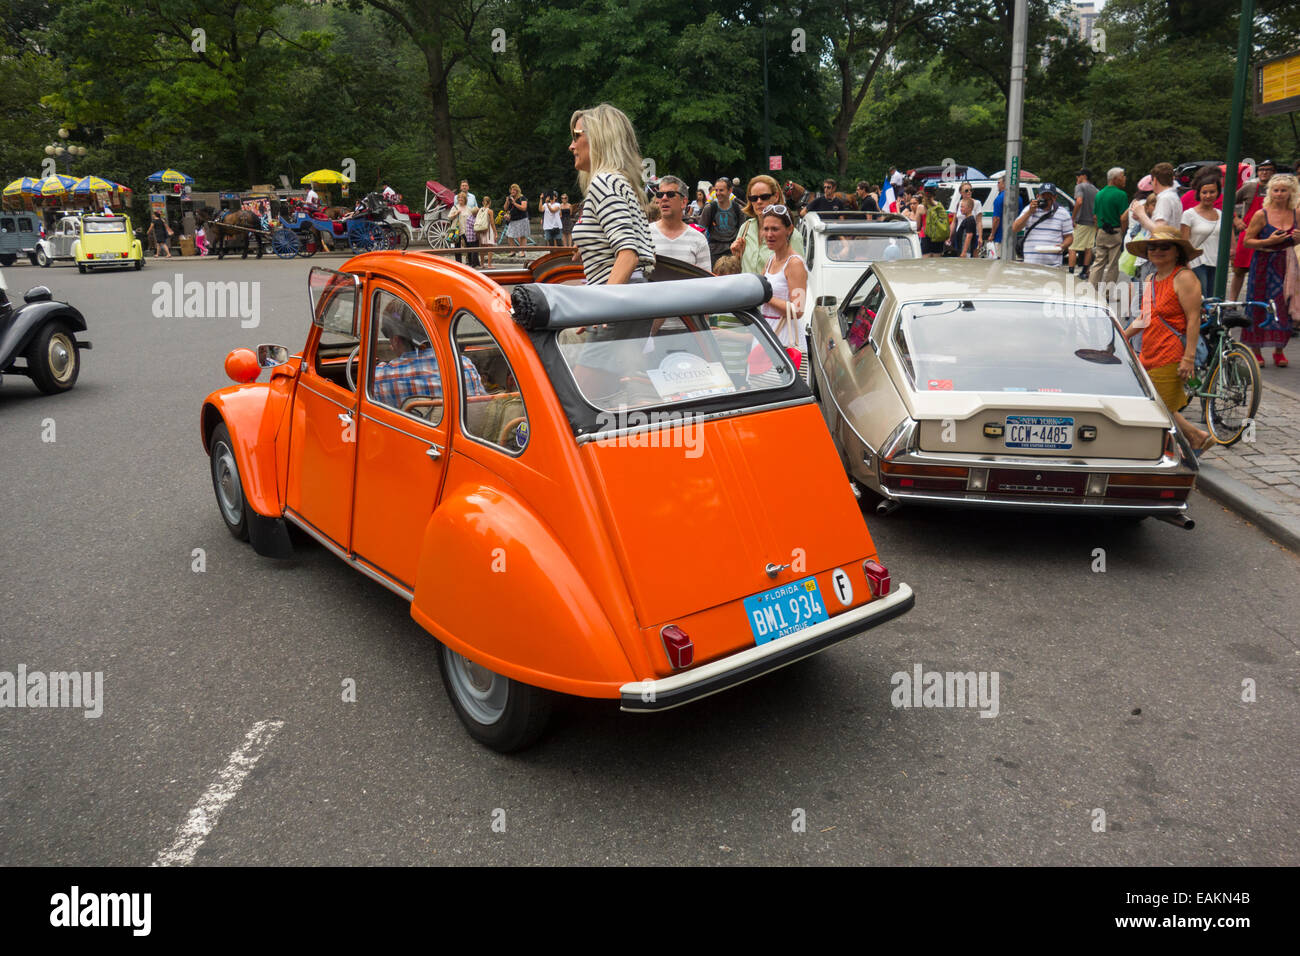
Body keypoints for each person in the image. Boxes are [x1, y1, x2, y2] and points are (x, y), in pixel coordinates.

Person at [1121, 228, 1213, 451]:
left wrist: (1189, 358)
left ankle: (1174, 446)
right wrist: (1120, 337)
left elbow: (1193, 319)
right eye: (1153, 247)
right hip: (1149, 350)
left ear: (1177, 251)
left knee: (1156, 407)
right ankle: (1196, 437)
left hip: (1171, 353)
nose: (1157, 251)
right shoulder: (1151, 278)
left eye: (1165, 247)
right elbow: (1145, 317)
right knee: (1155, 404)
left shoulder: (1185, 277)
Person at [568, 102, 655, 285]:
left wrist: (603, 309)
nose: (571, 146)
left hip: (618, 303)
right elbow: (644, 249)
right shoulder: (620, 183)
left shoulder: (604, 183)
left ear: (598, 139)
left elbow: (628, 255)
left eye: (576, 137)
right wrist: (589, 242)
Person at [373, 304, 487, 411]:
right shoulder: (464, 365)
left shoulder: (381, 377)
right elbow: (481, 407)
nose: (391, 347)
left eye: (391, 340)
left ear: (396, 340)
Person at [1240, 172, 1298, 367]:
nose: (1279, 194)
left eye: (1283, 190)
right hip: (1263, 263)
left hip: (1286, 263)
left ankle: (1279, 350)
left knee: (1284, 306)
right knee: (1259, 304)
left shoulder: (1296, 213)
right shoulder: (1261, 214)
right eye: (1276, 190)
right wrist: (1269, 241)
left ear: (1291, 193)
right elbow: (1247, 241)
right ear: (1269, 192)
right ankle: (1256, 349)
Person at [748, 204, 806, 384]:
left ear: (789, 229)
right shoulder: (771, 259)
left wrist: (766, 297)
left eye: (775, 229)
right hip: (766, 332)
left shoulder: (795, 263)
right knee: (759, 388)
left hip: (785, 337)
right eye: (765, 229)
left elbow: (798, 309)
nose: (769, 234)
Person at [730, 174, 805, 274]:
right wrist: (736, 255)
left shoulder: (790, 234)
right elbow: (739, 268)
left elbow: (799, 275)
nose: (759, 201)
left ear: (776, 197)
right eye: (754, 198)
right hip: (747, 289)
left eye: (764, 197)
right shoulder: (745, 228)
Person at [1230, 158, 1276, 301]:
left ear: (1274, 172)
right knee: (1239, 271)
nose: (1264, 173)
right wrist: (1236, 220)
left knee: (1265, 273)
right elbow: (1227, 202)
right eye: (1262, 169)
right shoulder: (1250, 187)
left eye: (1268, 170)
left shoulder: (1277, 189)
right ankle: (1231, 302)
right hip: (1247, 234)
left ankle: (1261, 304)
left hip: (1269, 235)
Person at [649, 175, 710, 268]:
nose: (664, 198)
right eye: (660, 195)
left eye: (670, 194)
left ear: (684, 202)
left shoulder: (698, 239)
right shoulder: (645, 234)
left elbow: (706, 280)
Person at [1180, 176, 1222, 298]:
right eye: (1204, 192)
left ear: (1217, 193)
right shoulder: (1189, 215)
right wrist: (1186, 264)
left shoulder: (1221, 214)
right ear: (1199, 194)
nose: (1208, 196)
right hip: (1196, 262)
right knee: (1201, 298)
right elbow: (1184, 242)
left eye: (1212, 192)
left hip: (1215, 262)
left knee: (1214, 298)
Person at [1011, 186, 1072, 266]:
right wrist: (1029, 212)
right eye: (1043, 197)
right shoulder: (1029, 209)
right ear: (1037, 197)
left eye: (1048, 198)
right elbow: (1015, 228)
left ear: (1054, 198)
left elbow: (1069, 237)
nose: (1045, 200)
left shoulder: (1063, 213)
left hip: (1053, 264)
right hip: (1031, 263)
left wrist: (1063, 246)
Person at [1090, 168, 1129, 291]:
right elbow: (1123, 218)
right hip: (1115, 231)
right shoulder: (1121, 195)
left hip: (1101, 231)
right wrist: (1122, 233)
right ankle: (1107, 293)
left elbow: (1095, 216)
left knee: (1098, 262)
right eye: (1123, 176)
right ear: (1115, 179)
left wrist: (1097, 231)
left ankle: (1091, 290)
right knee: (1113, 264)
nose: (1125, 178)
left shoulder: (1099, 194)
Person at [698, 176, 744, 266]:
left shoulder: (738, 209)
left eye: (721, 190)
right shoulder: (710, 208)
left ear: (730, 191)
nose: (718, 193)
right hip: (714, 252)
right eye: (716, 190)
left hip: (733, 252)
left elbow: (743, 232)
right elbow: (701, 230)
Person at [1071, 168, 1098, 279]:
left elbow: (1079, 201)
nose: (1077, 178)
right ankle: (1084, 271)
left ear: (1084, 176)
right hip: (1092, 222)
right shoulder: (1096, 190)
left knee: (1072, 247)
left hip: (1081, 221)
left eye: (1079, 176)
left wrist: (1073, 217)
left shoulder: (1080, 187)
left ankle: (1070, 272)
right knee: (1088, 248)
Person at [918, 183, 948, 257]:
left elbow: (918, 226)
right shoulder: (939, 206)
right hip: (938, 237)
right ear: (935, 193)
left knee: (926, 263)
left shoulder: (920, 207)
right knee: (937, 263)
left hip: (925, 236)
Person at [451, 186, 478, 265]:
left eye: (462, 199)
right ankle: (458, 263)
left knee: (469, 246)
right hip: (457, 230)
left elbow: (472, 218)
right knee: (457, 247)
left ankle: (470, 262)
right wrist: (456, 213)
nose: (460, 200)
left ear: (465, 200)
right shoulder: (455, 207)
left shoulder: (469, 208)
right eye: (459, 199)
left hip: (467, 230)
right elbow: (449, 217)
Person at [477, 196, 496, 267]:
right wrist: (495, 232)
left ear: (482, 202)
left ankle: (482, 264)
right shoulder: (490, 211)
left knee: (482, 246)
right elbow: (492, 222)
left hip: (481, 229)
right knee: (490, 246)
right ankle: (489, 264)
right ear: (490, 203)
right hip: (488, 229)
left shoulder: (480, 210)